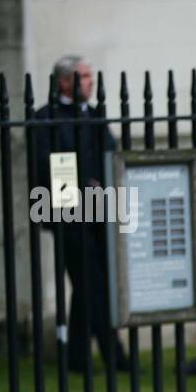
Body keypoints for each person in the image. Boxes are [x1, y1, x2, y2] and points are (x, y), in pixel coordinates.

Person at [32, 53, 128, 373]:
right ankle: (113, 354)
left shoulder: (95, 115)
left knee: (89, 285)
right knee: (92, 283)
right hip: (67, 215)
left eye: (91, 76)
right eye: (84, 76)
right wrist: (87, 186)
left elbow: (113, 154)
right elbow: (48, 167)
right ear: (64, 81)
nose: (91, 82)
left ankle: (76, 356)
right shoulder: (45, 118)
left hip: (100, 213)